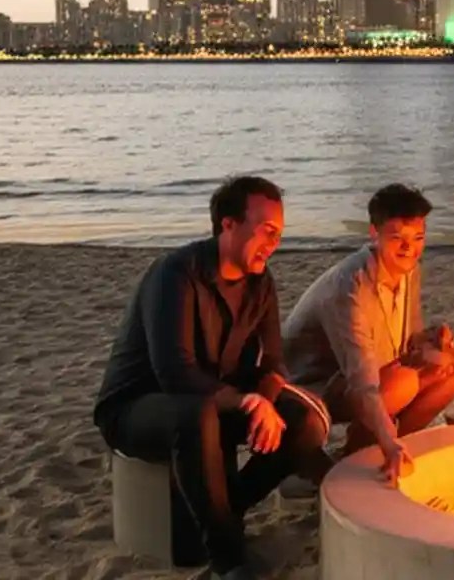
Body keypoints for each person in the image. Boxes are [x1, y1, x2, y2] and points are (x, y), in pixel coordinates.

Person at [93, 176, 329, 580]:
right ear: (228, 225)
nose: (274, 243)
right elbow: (173, 371)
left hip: (211, 399)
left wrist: (265, 402)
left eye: (280, 234)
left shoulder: (261, 282)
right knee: (195, 413)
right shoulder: (176, 274)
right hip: (139, 406)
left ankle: (225, 507)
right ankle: (228, 559)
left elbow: (274, 362)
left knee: (304, 422)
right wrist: (244, 402)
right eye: (266, 230)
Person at [282, 183, 454, 487]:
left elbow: (409, 340)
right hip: (312, 390)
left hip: (371, 373)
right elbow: (361, 380)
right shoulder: (349, 287)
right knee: (404, 382)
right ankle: (363, 453)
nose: (409, 248)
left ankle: (372, 446)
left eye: (418, 238)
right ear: (374, 234)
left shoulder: (409, 270)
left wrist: (430, 339)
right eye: (397, 238)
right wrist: (389, 439)